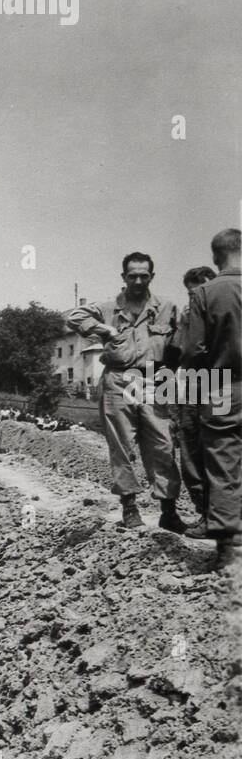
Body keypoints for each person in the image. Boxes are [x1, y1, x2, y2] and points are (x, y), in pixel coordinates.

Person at [65, 253, 185, 531]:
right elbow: (74, 317)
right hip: (119, 381)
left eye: (144, 275)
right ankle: (130, 507)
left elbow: (178, 347)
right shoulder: (108, 307)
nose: (138, 280)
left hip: (155, 380)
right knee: (121, 447)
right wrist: (102, 329)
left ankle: (168, 511)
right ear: (124, 278)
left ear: (151, 277)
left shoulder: (167, 307)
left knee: (163, 445)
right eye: (133, 275)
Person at [179, 228, 242, 567]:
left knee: (222, 467)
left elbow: (193, 350)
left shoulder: (205, 293)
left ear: (216, 256)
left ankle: (229, 553)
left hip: (220, 385)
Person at [164, 265, 217, 524]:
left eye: (201, 294)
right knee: (190, 454)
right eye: (191, 295)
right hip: (189, 393)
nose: (195, 300)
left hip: (220, 388)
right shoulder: (184, 324)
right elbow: (169, 362)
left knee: (220, 453)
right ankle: (205, 514)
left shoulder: (227, 318)